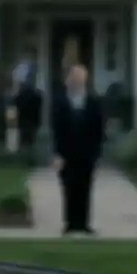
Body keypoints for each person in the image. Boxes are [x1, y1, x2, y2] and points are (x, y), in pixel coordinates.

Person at [51, 64, 105, 235]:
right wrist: (57, 154)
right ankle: (70, 222)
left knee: (85, 188)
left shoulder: (93, 101)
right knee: (68, 188)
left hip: (87, 153)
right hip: (66, 153)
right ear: (69, 79)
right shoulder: (61, 102)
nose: (77, 80)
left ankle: (84, 223)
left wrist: (97, 152)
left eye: (81, 77)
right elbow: (57, 130)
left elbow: (99, 129)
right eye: (74, 77)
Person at [12, 79, 44, 164]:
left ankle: (24, 158)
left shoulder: (21, 96)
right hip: (33, 120)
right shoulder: (36, 96)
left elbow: (16, 104)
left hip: (24, 120)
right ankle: (31, 157)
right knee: (32, 139)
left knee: (24, 140)